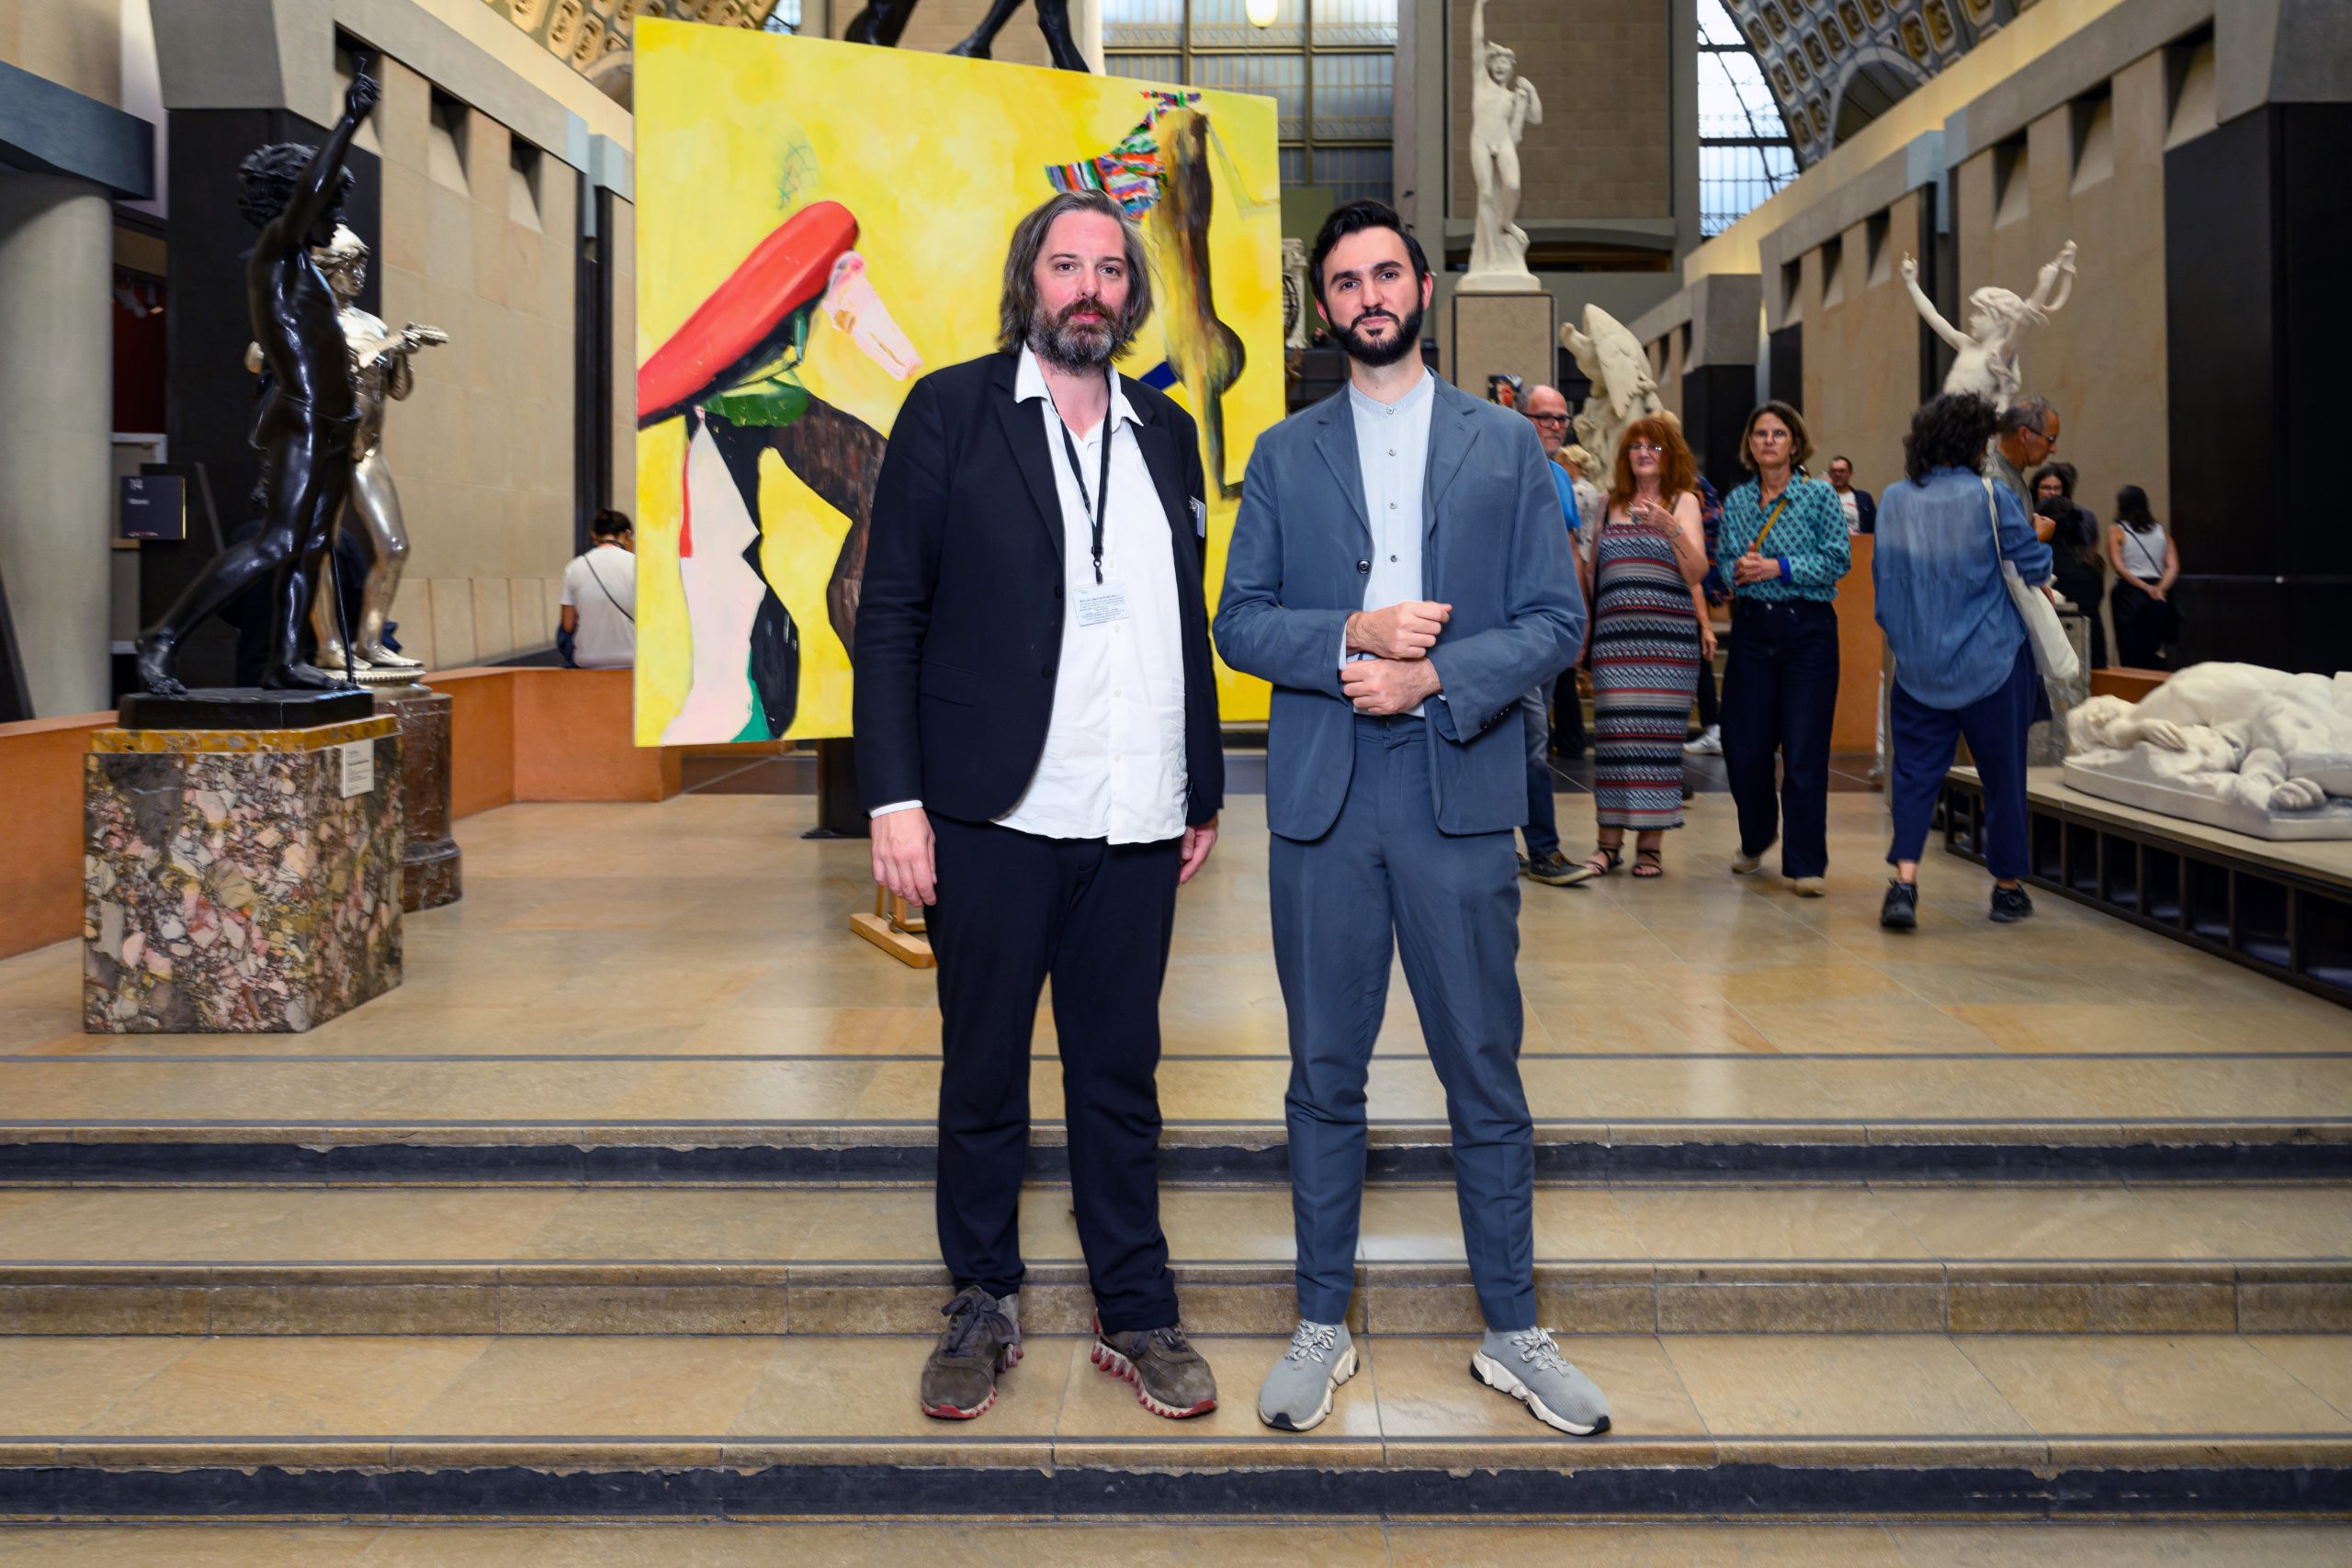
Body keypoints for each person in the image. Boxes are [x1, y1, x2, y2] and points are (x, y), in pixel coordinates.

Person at [1215, 199, 1602, 1439]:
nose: (1369, 295)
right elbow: (1238, 621)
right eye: (1346, 281)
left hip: (1456, 785)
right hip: (1326, 798)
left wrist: (1433, 673)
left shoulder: (1505, 447)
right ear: (1325, 307)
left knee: (1481, 1064)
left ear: (1423, 290)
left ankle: (1512, 1328)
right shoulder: (1285, 453)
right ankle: (1319, 1322)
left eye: (1387, 273)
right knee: (1324, 1072)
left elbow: (1556, 622)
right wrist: (1353, 635)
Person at [854, 189, 1227, 1424]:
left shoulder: (1166, 431)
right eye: (1065, 265)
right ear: (1028, 283)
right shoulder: (950, 411)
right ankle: (980, 1297)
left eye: (1109, 270)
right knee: (983, 1071)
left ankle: (1136, 1305)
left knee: (1121, 1074)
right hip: (990, 813)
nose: (1088, 288)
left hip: (1135, 816)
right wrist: (894, 797)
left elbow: (1179, 617)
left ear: (1130, 295)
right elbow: (890, 613)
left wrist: (1200, 779)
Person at [1873, 392, 2054, 930]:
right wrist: (2041, 535)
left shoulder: (1893, 500)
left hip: (1918, 666)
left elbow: (1884, 587)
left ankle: (1904, 885)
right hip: (1991, 663)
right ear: (1974, 443)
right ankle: (2007, 889)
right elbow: (2034, 565)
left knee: (1913, 776)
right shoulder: (1992, 497)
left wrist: (1910, 642)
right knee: (2002, 777)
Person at [1714, 401, 1850, 896]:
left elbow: (1838, 559)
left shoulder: (1819, 496)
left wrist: (1779, 567)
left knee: (1804, 748)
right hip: (1753, 630)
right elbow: (1723, 562)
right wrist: (1737, 571)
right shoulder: (1738, 500)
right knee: (1743, 746)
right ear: (1750, 445)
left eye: (1778, 434)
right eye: (1760, 434)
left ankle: (1806, 862)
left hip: (1807, 631)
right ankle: (1757, 835)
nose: (1768, 441)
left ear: (1795, 443)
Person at [1581, 416, 1709, 879]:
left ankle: (1650, 849)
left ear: (1669, 454)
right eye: (1636, 446)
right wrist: (1587, 630)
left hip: (1668, 648)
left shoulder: (1684, 502)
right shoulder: (1607, 503)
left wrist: (1669, 527)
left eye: (1653, 447)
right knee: (1615, 741)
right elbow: (1593, 575)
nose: (1643, 453)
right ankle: (1607, 845)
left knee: (1658, 744)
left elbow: (1697, 572)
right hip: (1616, 645)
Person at [1519, 384, 1587, 884]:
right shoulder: (1503, 467)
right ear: (1523, 419)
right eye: (1545, 417)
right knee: (1530, 739)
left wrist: (1578, 619)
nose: (1555, 426)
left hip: (1551, 626)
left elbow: (1570, 550)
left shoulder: (1562, 476)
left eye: (1561, 418)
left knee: (1530, 739)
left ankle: (1516, 847)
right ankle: (1542, 849)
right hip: (1513, 628)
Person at [2032, 462, 2107, 669]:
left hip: (2057, 654)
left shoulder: (2040, 561)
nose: (2051, 492)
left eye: (2056, 488)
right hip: (2092, 650)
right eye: (2046, 487)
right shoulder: (2091, 561)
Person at [2109, 484, 2181, 669]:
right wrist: (2160, 589)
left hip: (2129, 592)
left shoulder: (2117, 530)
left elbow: (2119, 567)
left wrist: (2145, 588)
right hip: (2159, 594)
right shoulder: (2161, 531)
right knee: (2153, 645)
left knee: (2129, 647)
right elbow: (2173, 566)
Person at [560, 511, 638, 670]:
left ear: (594, 535)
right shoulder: (639, 564)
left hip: (588, 660)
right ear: (627, 534)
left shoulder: (574, 567)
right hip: (634, 659)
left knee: (567, 618)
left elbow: (567, 625)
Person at [1985, 397, 2060, 538]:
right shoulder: (1994, 480)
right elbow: (1993, 547)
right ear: (2024, 434)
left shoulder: (2010, 475)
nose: (2053, 449)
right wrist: (2037, 537)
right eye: (2050, 439)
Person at [1826, 455, 1876, 535]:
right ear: (1829, 474)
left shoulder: (1864, 498)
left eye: (1842, 471)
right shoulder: (1823, 498)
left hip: (1860, 541)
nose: (1838, 474)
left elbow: (1874, 527)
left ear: (1850, 473)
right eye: (1834, 471)